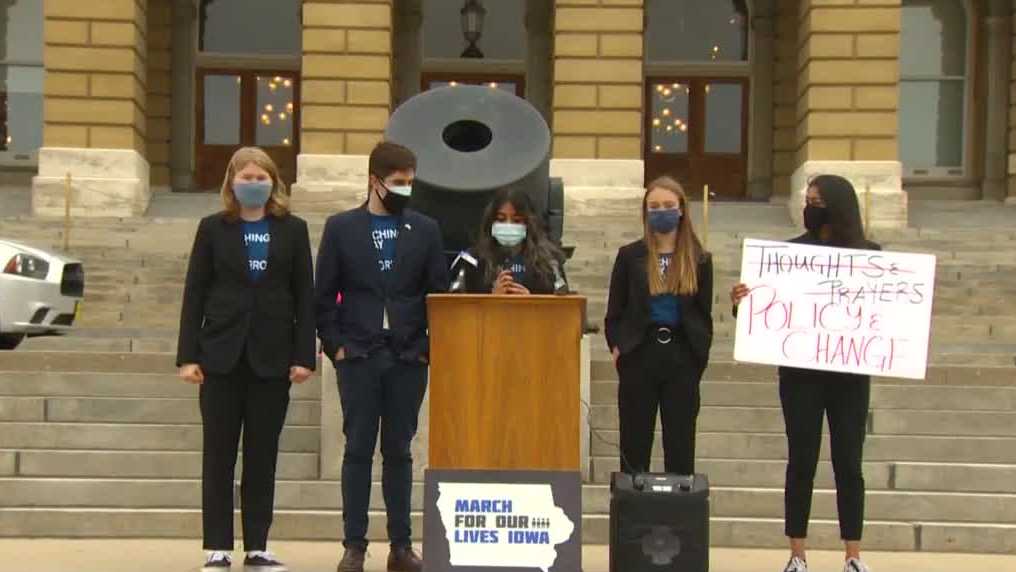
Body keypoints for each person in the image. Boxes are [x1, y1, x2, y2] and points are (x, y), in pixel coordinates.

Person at [730, 175, 880, 572]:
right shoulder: (789, 254)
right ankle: (797, 554)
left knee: (849, 464)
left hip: (849, 375)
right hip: (801, 376)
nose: (809, 208)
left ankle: (853, 555)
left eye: (817, 202)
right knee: (801, 461)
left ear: (837, 207)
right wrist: (742, 302)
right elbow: (764, 315)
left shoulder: (870, 256)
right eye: (807, 201)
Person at [176, 147, 315, 570]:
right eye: (246, 177)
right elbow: (195, 291)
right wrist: (187, 356)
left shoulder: (293, 230)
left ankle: (257, 544)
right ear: (231, 182)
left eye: (260, 177)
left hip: (272, 359)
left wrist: (304, 355)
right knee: (218, 455)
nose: (253, 184)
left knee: (262, 455)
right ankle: (217, 546)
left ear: (273, 183)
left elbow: (304, 295)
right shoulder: (212, 229)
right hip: (220, 356)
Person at [314, 141, 448, 572]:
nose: (405, 188)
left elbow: (438, 294)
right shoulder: (341, 228)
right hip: (358, 354)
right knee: (357, 449)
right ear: (375, 181)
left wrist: (427, 348)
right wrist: (336, 346)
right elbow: (323, 295)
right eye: (398, 182)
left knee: (400, 451)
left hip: (408, 356)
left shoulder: (425, 229)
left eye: (410, 182)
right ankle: (354, 546)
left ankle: (401, 547)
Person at [604, 176, 713, 478]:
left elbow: (703, 313)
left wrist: (698, 353)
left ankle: (678, 505)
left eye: (667, 205)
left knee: (680, 442)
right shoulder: (630, 256)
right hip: (639, 351)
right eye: (654, 207)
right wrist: (618, 347)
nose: (661, 211)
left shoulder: (699, 259)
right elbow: (615, 310)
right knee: (634, 441)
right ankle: (633, 504)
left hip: (681, 354)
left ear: (681, 209)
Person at [457, 187, 568, 295]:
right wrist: (493, 300)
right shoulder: (473, 259)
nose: (508, 225)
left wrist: (532, 303)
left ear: (529, 223)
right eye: (501, 219)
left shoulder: (550, 262)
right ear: (491, 221)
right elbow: (458, 303)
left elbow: (564, 304)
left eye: (517, 220)